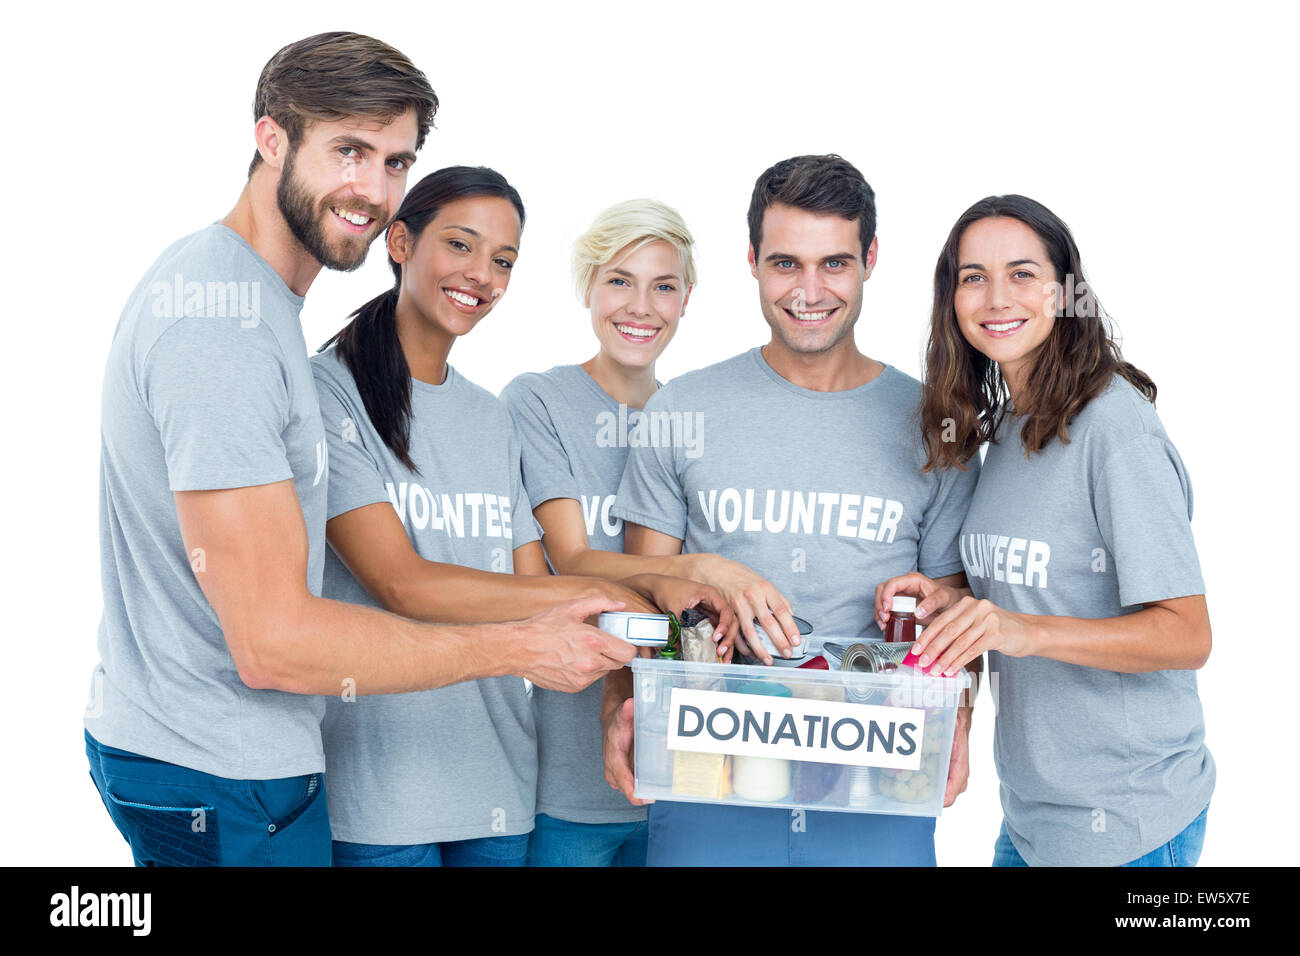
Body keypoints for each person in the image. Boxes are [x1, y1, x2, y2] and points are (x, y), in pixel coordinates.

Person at [84, 32, 635, 869]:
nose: (372, 190)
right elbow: (273, 642)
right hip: (215, 771)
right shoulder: (219, 326)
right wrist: (518, 646)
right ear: (271, 140)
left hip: (237, 763)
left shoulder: (256, 304)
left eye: (395, 161)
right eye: (349, 150)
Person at [313, 169, 730, 866]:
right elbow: (403, 583)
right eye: (461, 246)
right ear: (399, 241)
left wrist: (630, 644)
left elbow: (531, 586)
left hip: (499, 785)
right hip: (383, 793)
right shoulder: (330, 391)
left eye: (502, 260)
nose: (481, 274)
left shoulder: (488, 416)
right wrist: (657, 586)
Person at [601, 155, 982, 866]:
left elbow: (954, 609)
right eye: (785, 263)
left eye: (834, 263)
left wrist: (959, 719)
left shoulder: (937, 423)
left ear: (870, 259)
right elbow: (639, 591)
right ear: (751, 261)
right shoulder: (683, 409)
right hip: (706, 771)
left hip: (878, 780)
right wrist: (616, 713)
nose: (810, 290)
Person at [875, 194, 1213, 868]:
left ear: (1063, 293)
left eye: (1022, 273)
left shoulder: (1114, 427)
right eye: (974, 277)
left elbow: (1188, 633)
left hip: (1126, 823)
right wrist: (957, 604)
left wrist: (1024, 632)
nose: (997, 296)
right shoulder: (1005, 428)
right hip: (1032, 818)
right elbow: (1032, 583)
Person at [503, 199, 737, 866]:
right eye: (618, 280)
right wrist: (702, 574)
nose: (640, 306)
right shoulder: (539, 401)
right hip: (569, 783)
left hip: (686, 777)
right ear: (587, 287)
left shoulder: (697, 418)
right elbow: (569, 560)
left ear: (687, 298)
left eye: (663, 285)